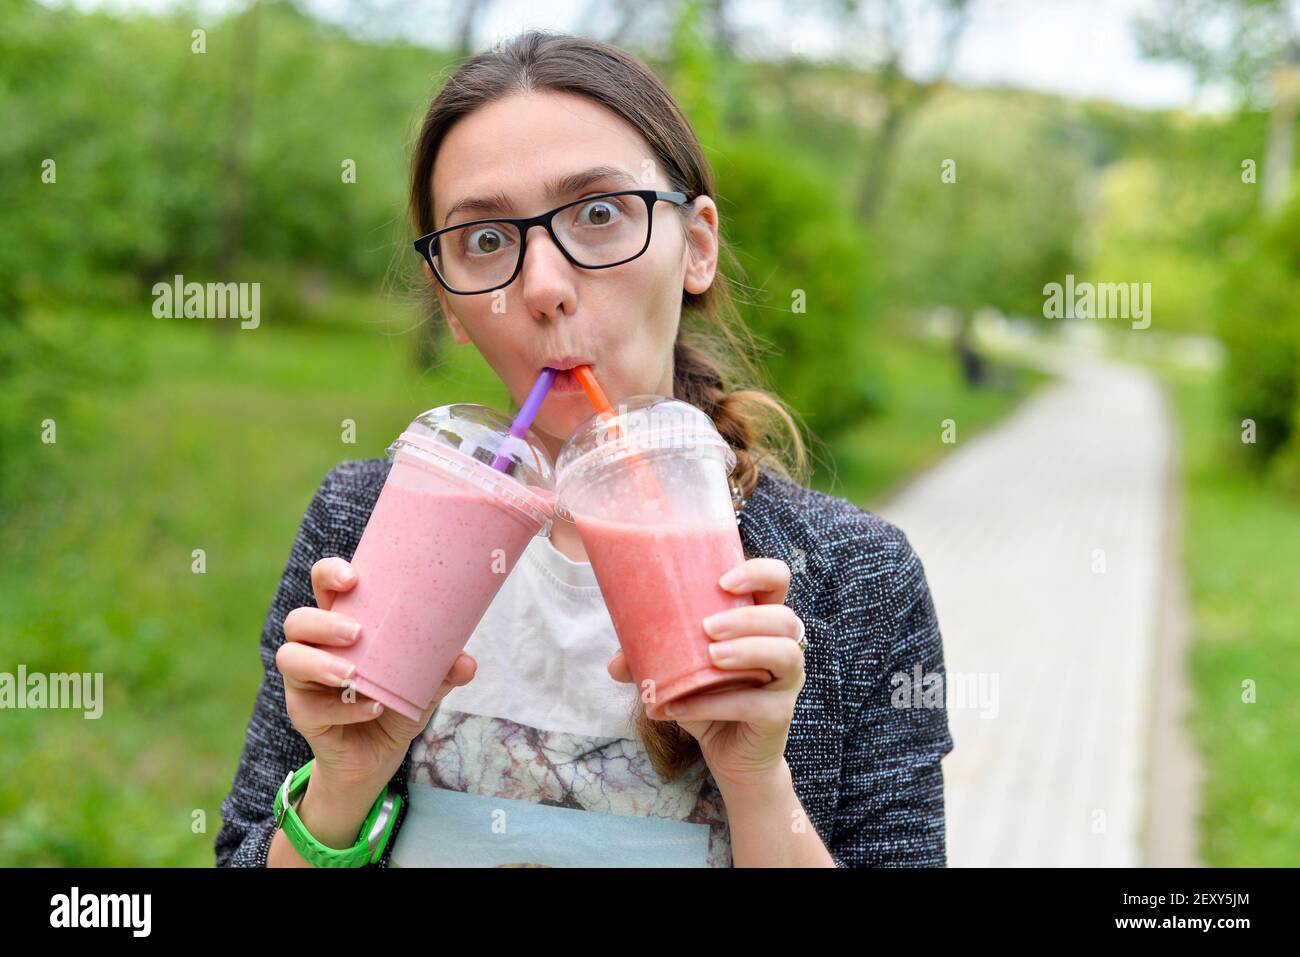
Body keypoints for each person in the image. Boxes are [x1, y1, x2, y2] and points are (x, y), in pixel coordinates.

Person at [215, 30, 953, 868]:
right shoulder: (361, 523)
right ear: (450, 303)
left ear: (697, 247)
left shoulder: (857, 580)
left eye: (598, 215)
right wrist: (343, 783)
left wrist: (756, 781)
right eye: (486, 240)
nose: (543, 288)